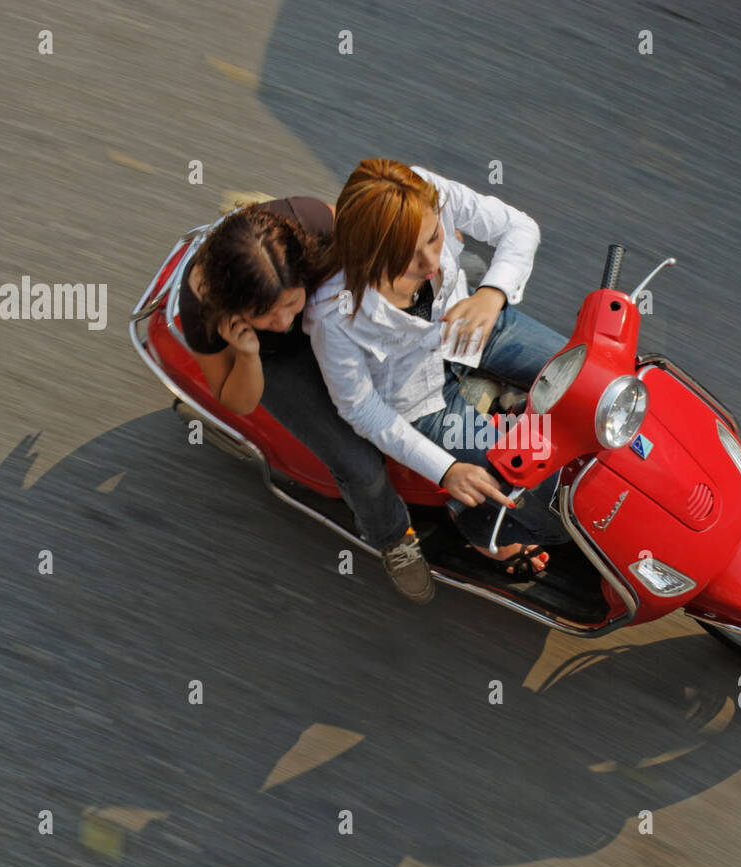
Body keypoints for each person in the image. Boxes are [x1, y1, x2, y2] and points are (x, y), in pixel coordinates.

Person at [305, 160, 571, 578]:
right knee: (549, 493)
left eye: (434, 238)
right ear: (369, 256)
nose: (430, 262)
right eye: (406, 258)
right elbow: (361, 409)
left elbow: (520, 228)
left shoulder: (426, 189)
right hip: (425, 401)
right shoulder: (333, 314)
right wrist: (445, 471)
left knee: (597, 380)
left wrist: (492, 293)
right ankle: (475, 525)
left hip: (478, 328)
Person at [179, 198, 435, 603]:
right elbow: (236, 400)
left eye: (288, 303)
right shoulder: (200, 310)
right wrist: (247, 352)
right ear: (232, 308)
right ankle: (391, 535)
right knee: (359, 466)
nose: (282, 323)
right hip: (272, 360)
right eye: (264, 315)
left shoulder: (313, 221)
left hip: (331, 312)